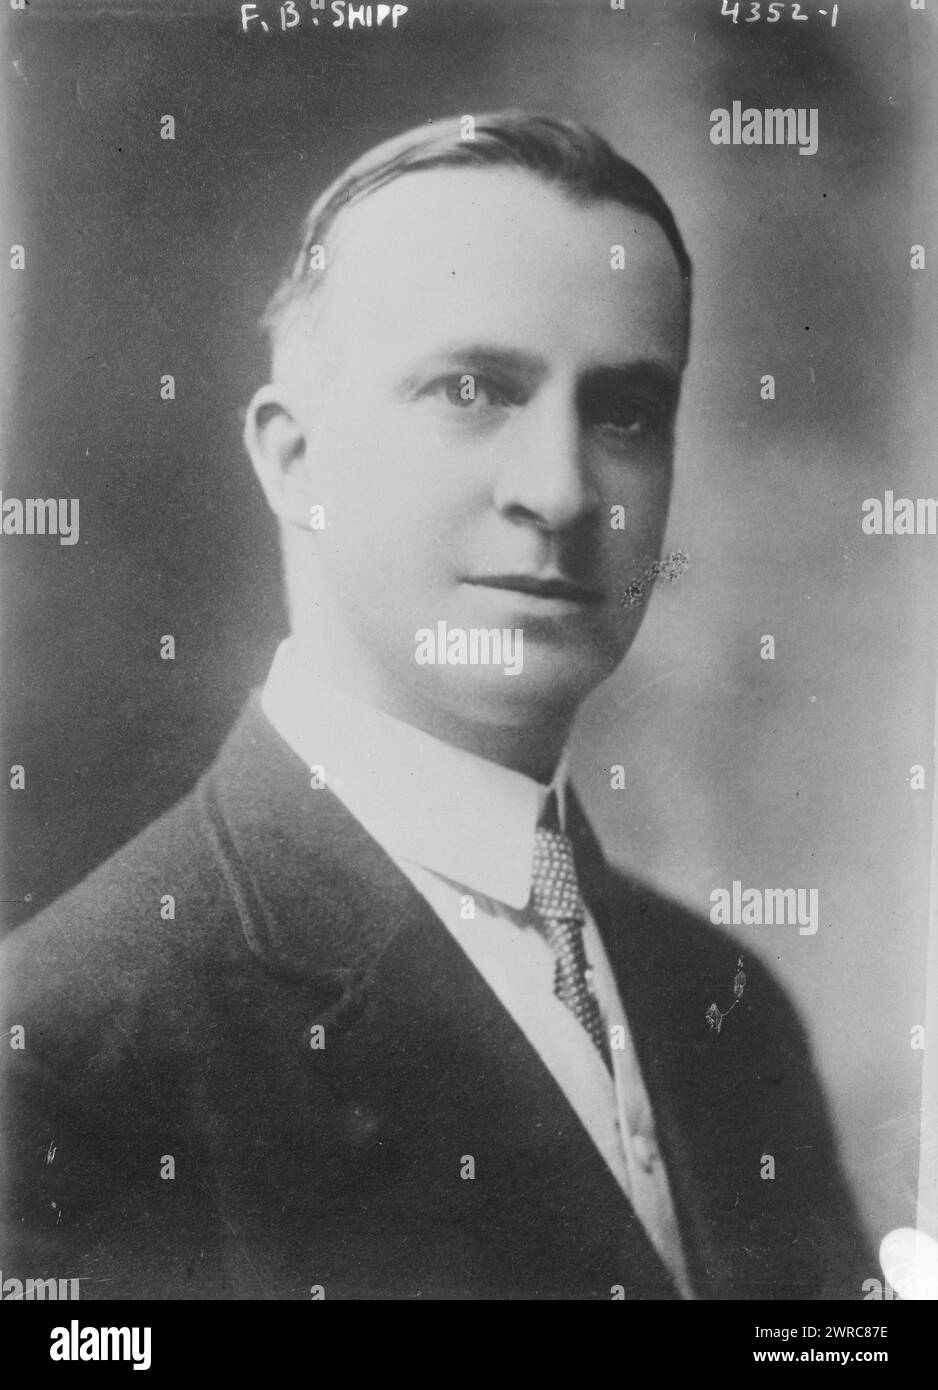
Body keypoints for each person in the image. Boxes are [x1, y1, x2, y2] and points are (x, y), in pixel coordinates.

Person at [0, 112, 871, 1300]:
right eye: (472, 388)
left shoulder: (726, 1011)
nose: (559, 491)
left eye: (623, 411)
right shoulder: (67, 1053)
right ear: (290, 461)